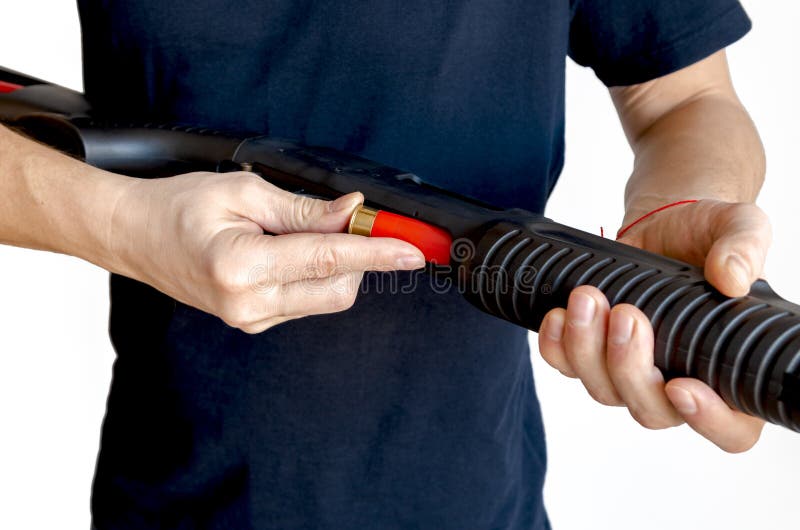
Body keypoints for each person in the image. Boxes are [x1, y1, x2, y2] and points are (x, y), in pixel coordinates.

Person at [0, 1, 770, 528]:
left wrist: (676, 209)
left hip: (483, 501)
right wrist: (120, 223)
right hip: (179, 500)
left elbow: (684, 97)